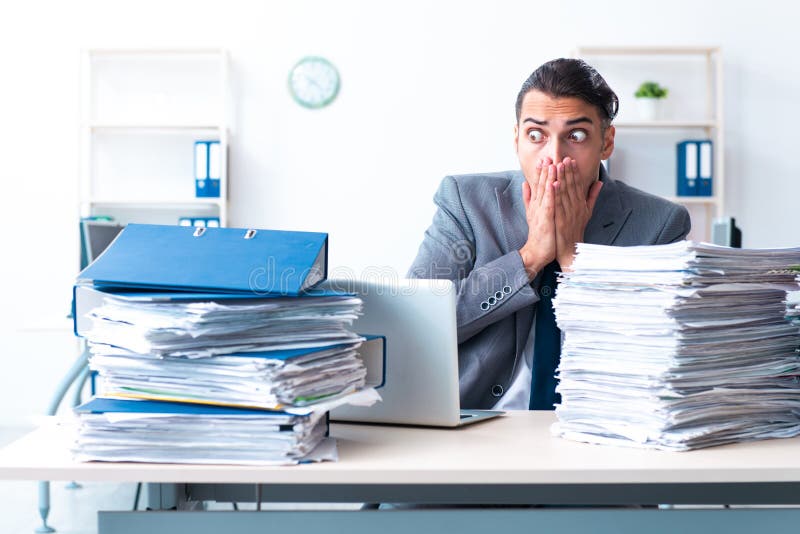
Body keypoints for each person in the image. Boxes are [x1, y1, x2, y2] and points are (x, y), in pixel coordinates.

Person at [408, 58, 691, 410]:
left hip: (603, 426)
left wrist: (575, 260)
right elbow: (417, 326)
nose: (554, 156)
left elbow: (659, 347)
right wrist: (529, 258)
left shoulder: (659, 223)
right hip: (476, 424)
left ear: (606, 142)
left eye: (576, 136)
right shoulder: (466, 202)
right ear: (516, 139)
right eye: (536, 135)